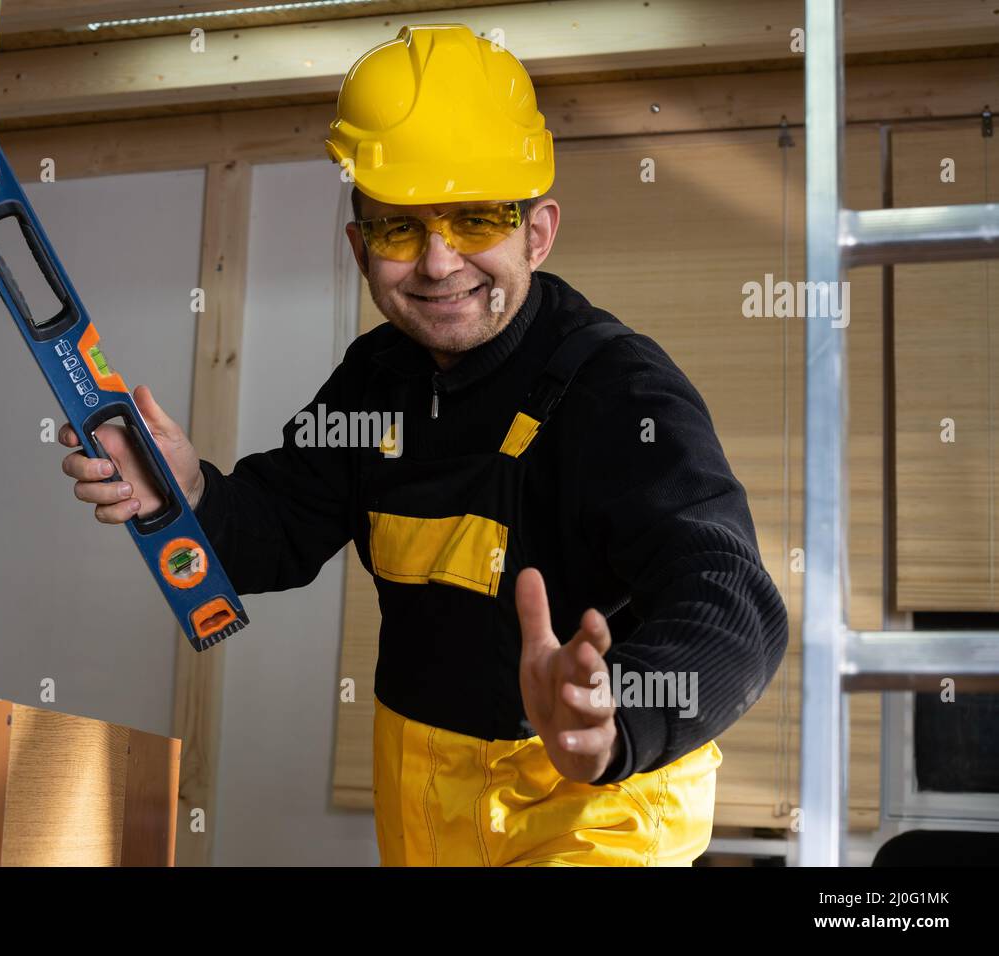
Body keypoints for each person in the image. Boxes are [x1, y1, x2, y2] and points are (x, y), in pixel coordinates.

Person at [59, 23, 788, 866]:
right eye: (400, 230)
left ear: (538, 233)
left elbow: (734, 600)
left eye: (475, 218)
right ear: (359, 248)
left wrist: (617, 712)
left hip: (592, 821)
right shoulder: (378, 381)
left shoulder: (619, 393)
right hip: (428, 824)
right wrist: (190, 495)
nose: (439, 264)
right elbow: (279, 528)